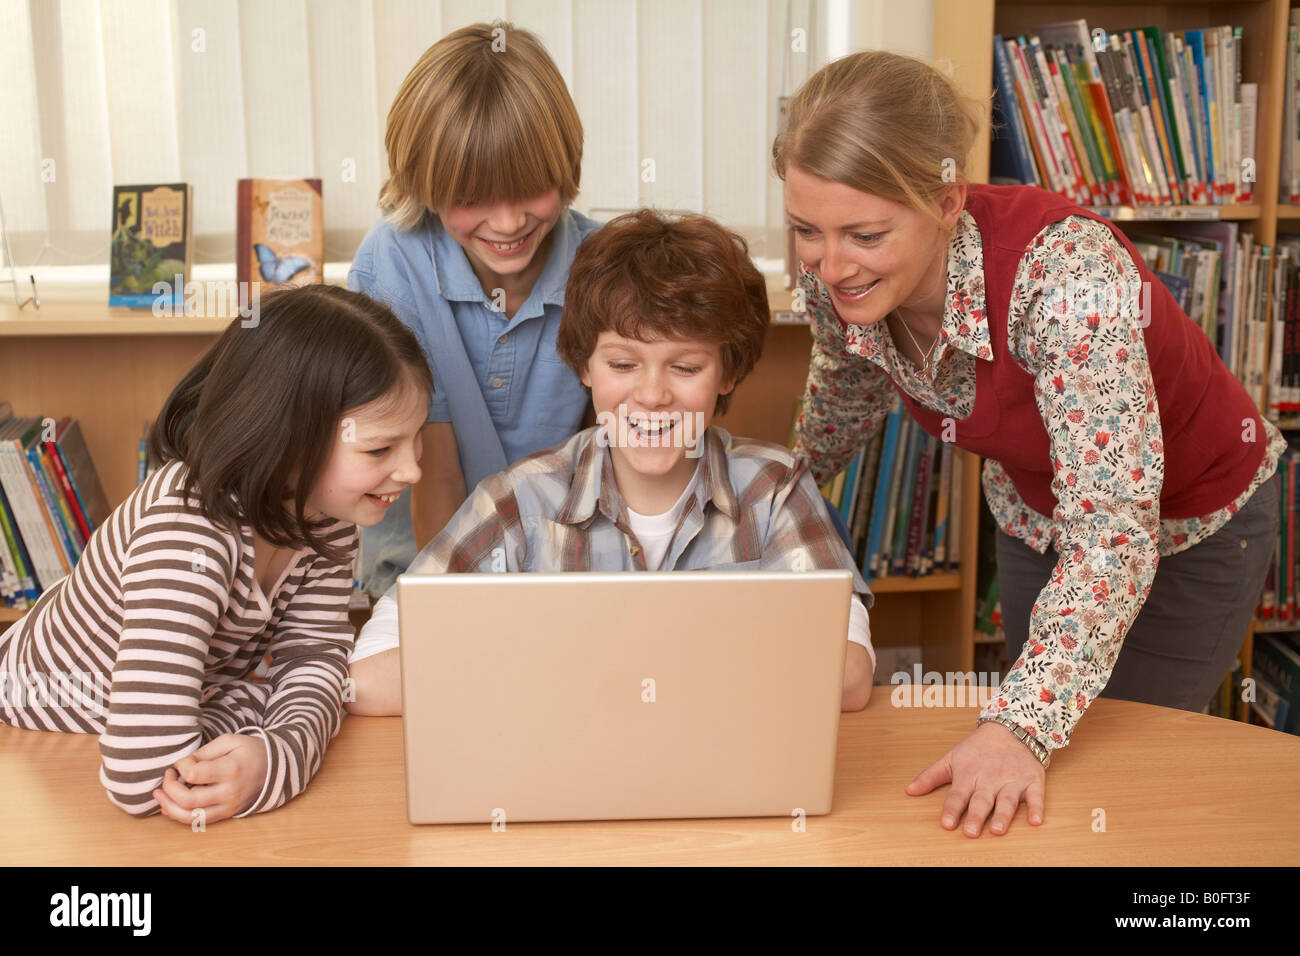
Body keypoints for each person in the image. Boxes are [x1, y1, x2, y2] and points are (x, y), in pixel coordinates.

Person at [776, 51, 1284, 838]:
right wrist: (768, 493)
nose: (829, 266)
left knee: (1120, 773)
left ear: (946, 203)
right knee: (1046, 780)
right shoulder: (831, 268)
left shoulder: (1069, 276)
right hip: (1038, 508)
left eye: (865, 235)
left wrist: (1019, 727)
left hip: (1190, 522)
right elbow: (846, 393)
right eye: (806, 228)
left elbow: (1114, 533)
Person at [346, 210, 876, 715]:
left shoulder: (774, 488)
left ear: (728, 373)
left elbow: (849, 674)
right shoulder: (518, 501)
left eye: (686, 367)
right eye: (622, 364)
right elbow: (368, 677)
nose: (651, 395)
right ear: (584, 366)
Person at [0, 285, 432, 823]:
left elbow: (317, 662)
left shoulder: (326, 515)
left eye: (416, 438)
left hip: (177, 695)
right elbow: (142, 775)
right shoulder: (188, 534)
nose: (412, 469)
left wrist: (276, 754)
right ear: (289, 438)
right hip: (38, 715)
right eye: (379, 448)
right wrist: (268, 700)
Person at [349, 20, 601, 598]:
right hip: (424, 571)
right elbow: (433, 473)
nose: (508, 224)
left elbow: (605, 462)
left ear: (566, 169)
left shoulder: (602, 265)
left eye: (531, 189)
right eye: (472, 199)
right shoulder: (391, 263)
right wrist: (462, 620)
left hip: (563, 569)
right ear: (423, 184)